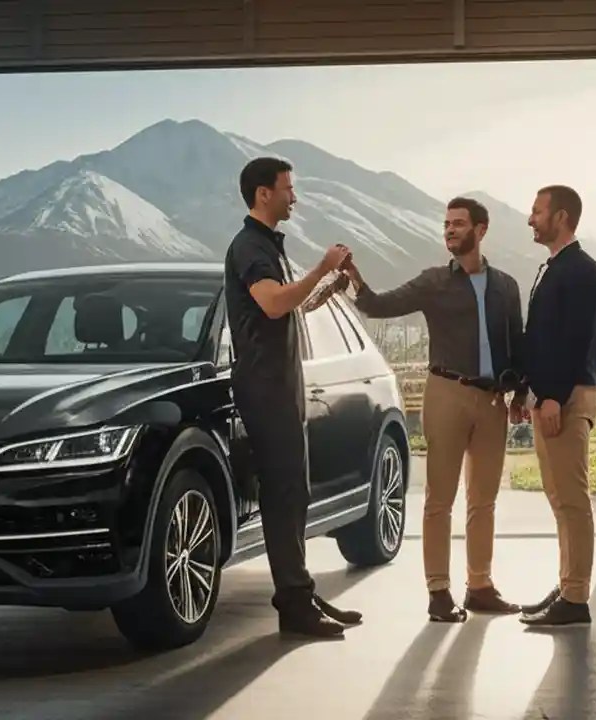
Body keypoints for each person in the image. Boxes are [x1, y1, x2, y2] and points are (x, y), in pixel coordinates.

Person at [341, 196, 528, 623]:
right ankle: (439, 592)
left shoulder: (506, 286)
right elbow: (378, 305)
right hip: (446, 393)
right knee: (439, 500)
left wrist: (520, 392)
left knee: (484, 500)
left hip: (494, 400)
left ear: (481, 230)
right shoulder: (433, 282)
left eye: (459, 223)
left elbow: (517, 345)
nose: (449, 230)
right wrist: (354, 278)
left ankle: (479, 585)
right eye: (446, 224)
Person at [224, 156, 363, 638]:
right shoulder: (249, 247)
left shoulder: (265, 246)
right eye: (288, 188)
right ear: (264, 193)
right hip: (265, 389)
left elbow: (291, 306)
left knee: (294, 495)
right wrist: (321, 263)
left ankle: (299, 592)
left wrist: (330, 283)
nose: (294, 196)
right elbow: (272, 301)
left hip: (282, 387)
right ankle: (295, 606)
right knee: (284, 497)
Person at [517, 184, 596, 627]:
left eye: (537, 212)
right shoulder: (553, 268)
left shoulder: (582, 270)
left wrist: (552, 395)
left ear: (562, 216)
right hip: (550, 395)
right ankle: (569, 584)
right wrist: (526, 391)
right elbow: (541, 338)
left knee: (572, 498)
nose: (531, 219)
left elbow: (575, 339)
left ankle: (576, 598)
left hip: (566, 398)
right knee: (559, 498)